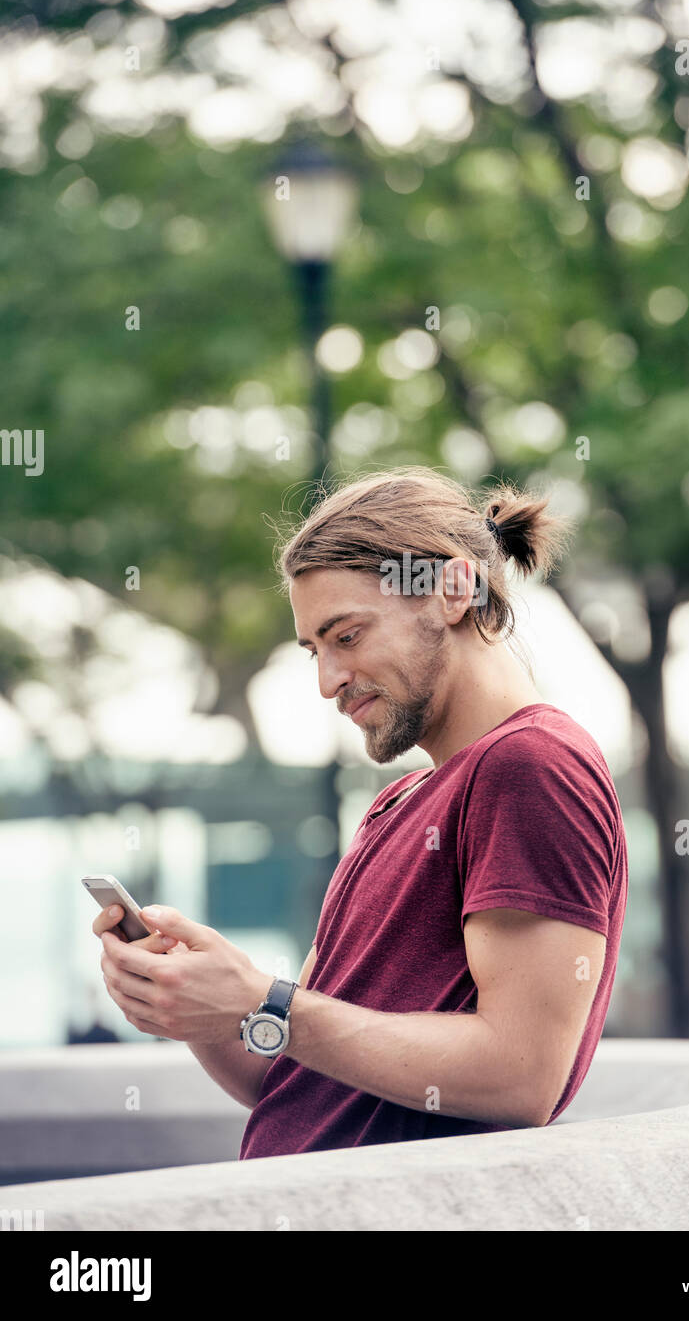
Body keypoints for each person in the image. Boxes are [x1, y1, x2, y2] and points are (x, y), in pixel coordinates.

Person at [94, 467, 628, 1156]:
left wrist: (266, 1000)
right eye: (315, 650)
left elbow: (520, 1075)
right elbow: (287, 1078)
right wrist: (201, 1002)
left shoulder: (530, 767)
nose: (326, 681)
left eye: (346, 637)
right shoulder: (398, 805)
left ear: (452, 589)